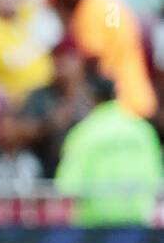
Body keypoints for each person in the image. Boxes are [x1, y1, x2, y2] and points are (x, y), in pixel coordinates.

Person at [56, 74, 164, 225]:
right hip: (137, 220)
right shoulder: (141, 129)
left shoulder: (84, 132)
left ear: (92, 98)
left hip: (96, 224)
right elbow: (156, 175)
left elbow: (68, 185)